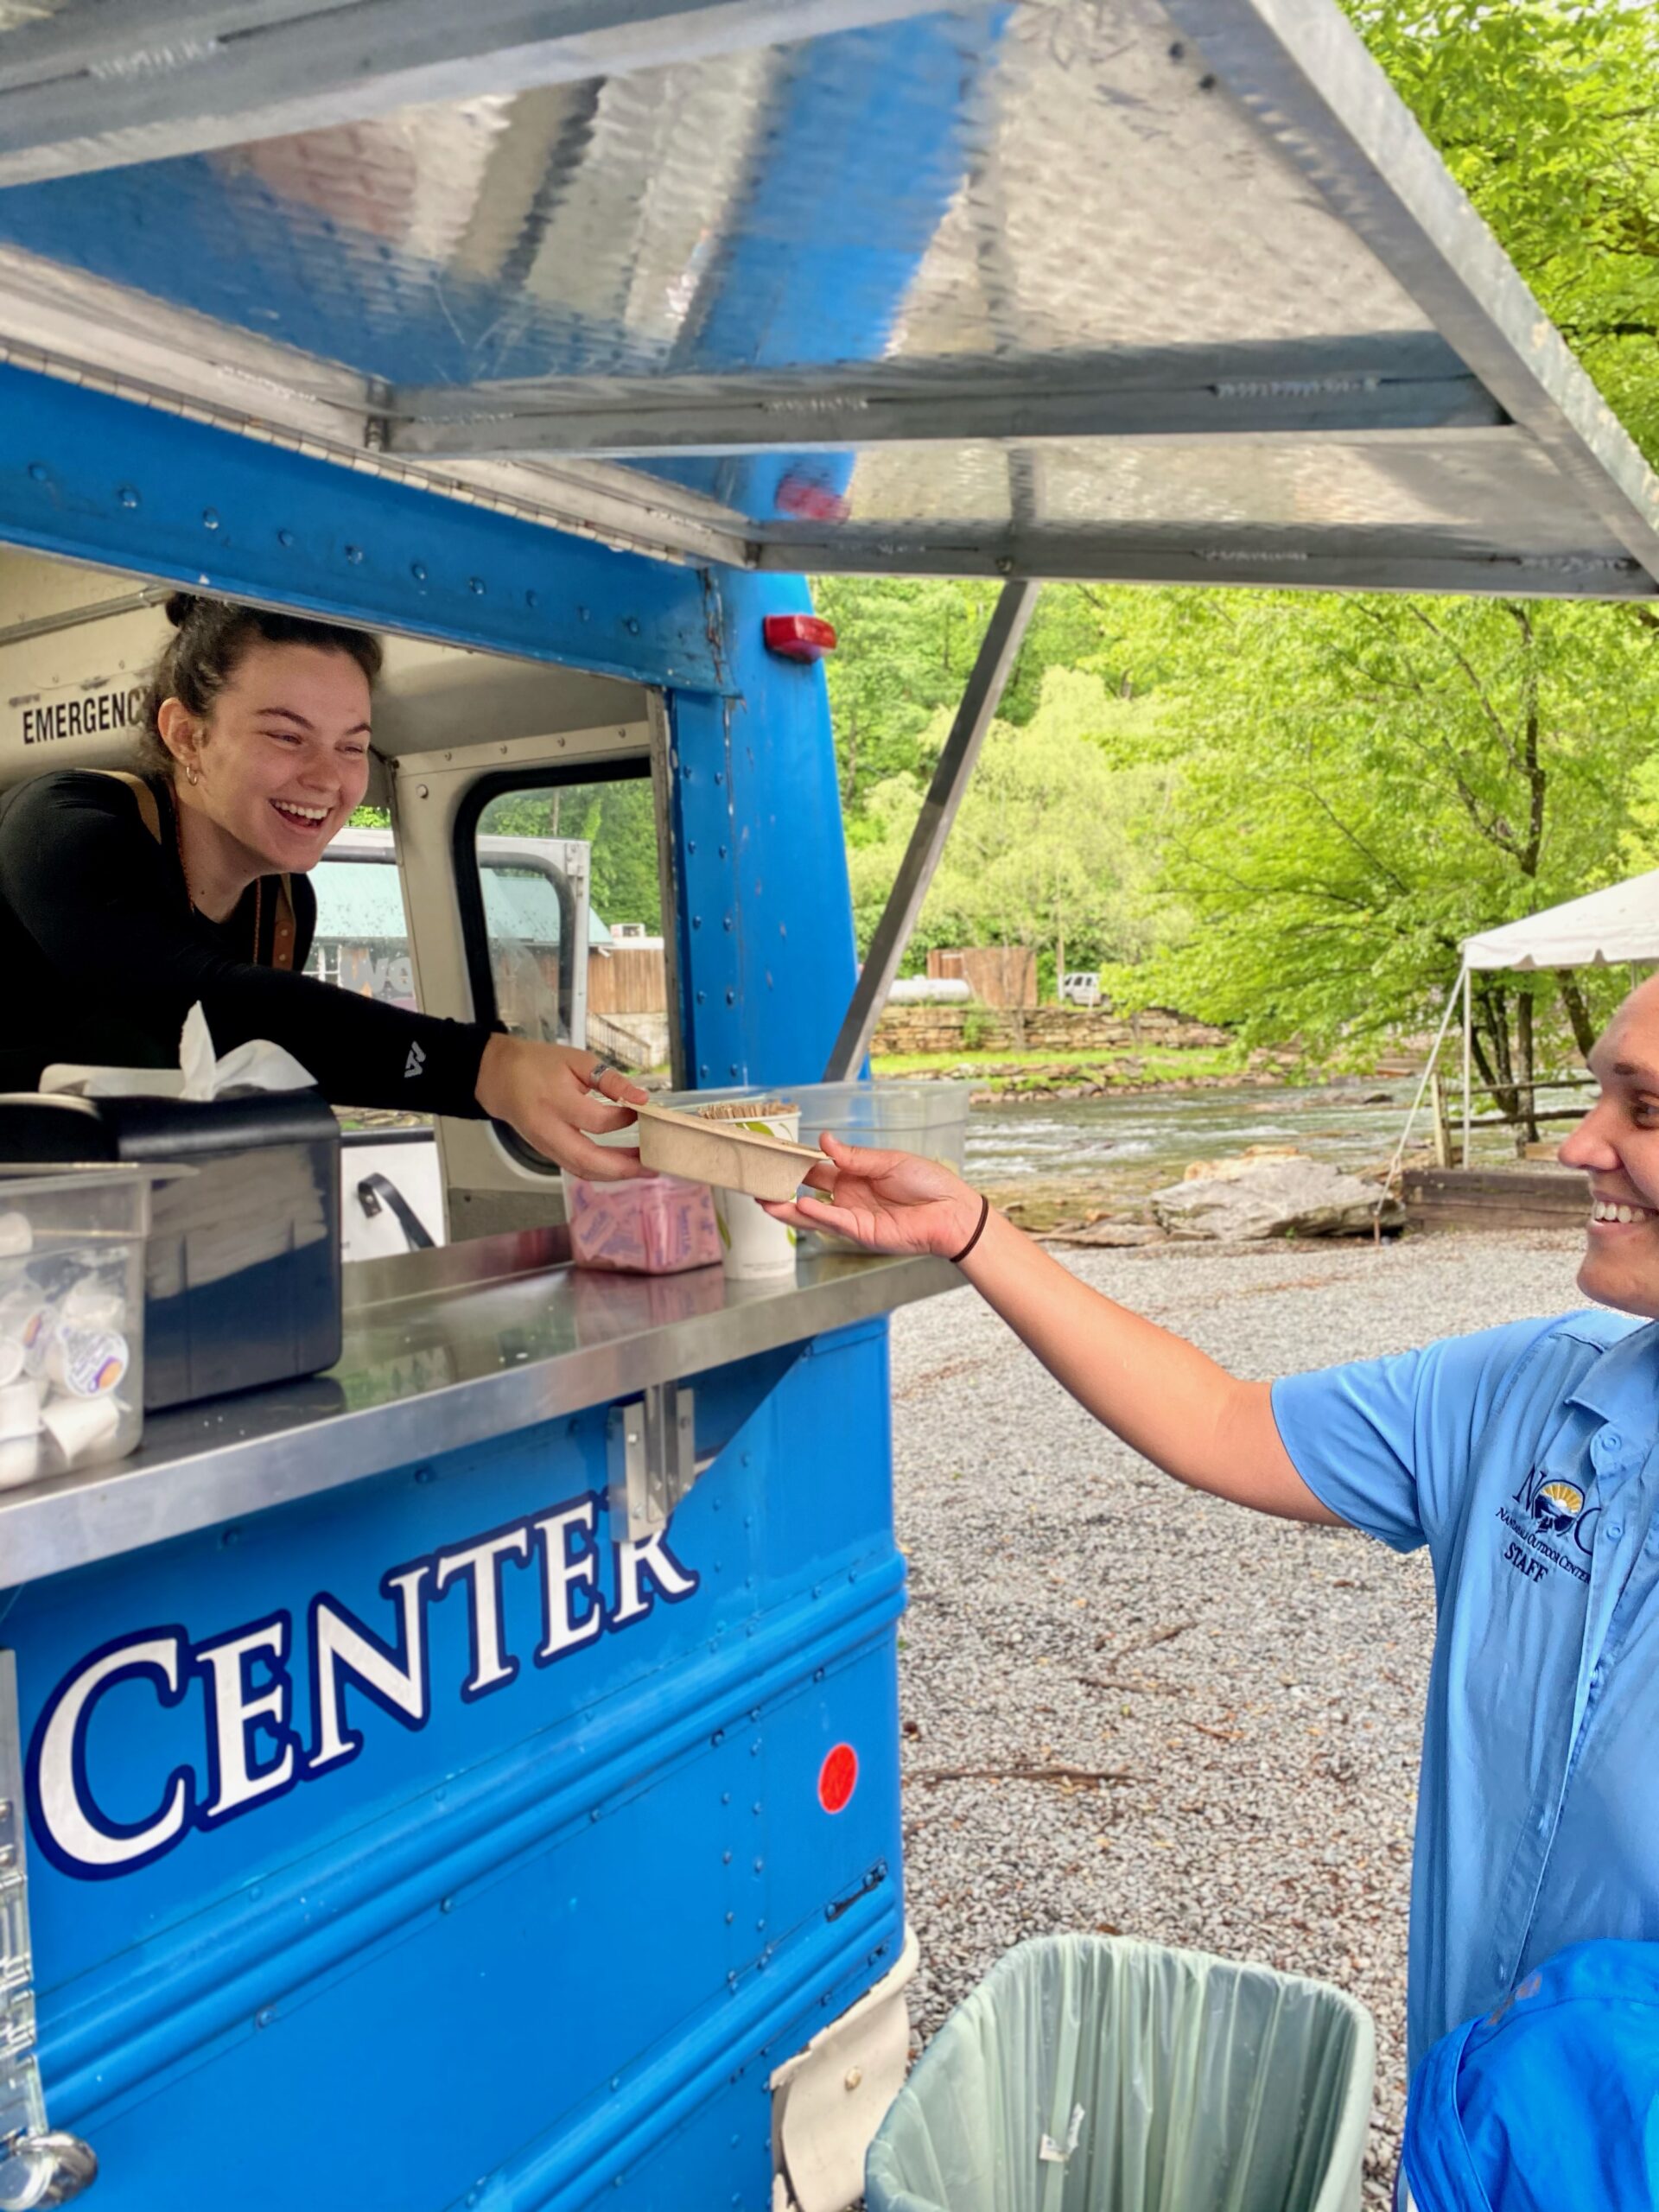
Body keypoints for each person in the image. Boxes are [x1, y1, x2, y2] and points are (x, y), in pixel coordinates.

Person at [766, 974, 1659, 2093]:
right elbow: (1222, 1421)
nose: (1582, 1145)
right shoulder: (1530, 1395)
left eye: (1647, 1110)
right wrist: (975, 1232)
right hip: (1468, 2132)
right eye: (1598, 1098)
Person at [0, 594, 645, 1176]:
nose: (327, 779)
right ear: (187, 735)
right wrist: (486, 1066)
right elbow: (201, 1002)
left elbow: (259, 1050)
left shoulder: (281, 906)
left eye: (351, 747)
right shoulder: (62, 827)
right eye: (286, 736)